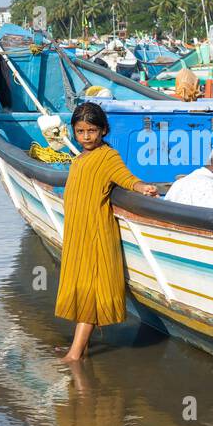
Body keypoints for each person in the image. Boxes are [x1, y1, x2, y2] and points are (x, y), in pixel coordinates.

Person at [56, 102, 158, 362]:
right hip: (78, 235)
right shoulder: (79, 159)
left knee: (91, 290)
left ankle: (75, 354)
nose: (86, 137)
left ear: (103, 130)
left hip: (95, 234)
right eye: (80, 131)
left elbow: (125, 177)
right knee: (80, 287)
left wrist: (141, 187)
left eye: (92, 130)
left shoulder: (107, 156)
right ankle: (84, 347)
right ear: (74, 132)